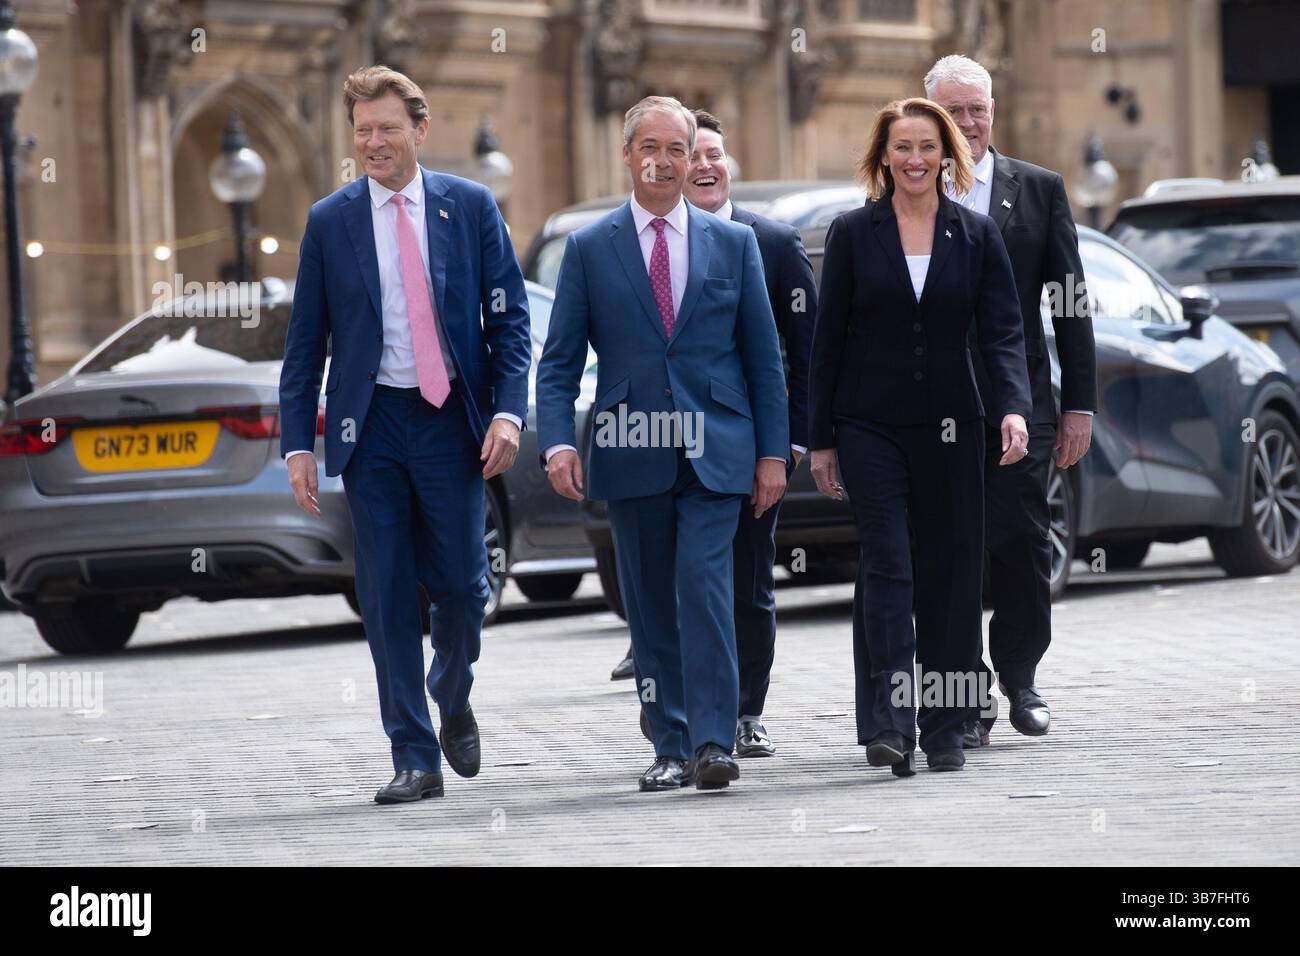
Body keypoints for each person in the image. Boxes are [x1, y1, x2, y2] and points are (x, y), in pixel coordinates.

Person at [279, 66, 532, 804]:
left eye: (388, 128)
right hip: (372, 426)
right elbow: (306, 343)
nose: (374, 142)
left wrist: (508, 413)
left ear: (420, 129)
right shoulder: (331, 220)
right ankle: (413, 756)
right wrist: (299, 442)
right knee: (385, 590)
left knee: (462, 587)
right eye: (363, 130)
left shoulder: (471, 207)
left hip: (451, 421)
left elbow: (510, 322)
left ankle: (451, 693)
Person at [536, 96, 789, 791]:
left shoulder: (733, 245)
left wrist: (773, 453)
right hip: (628, 447)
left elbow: (763, 358)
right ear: (627, 156)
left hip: (717, 450)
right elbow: (557, 361)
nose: (665, 160)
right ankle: (669, 742)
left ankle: (713, 741)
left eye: (678, 148)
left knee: (706, 589)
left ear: (692, 156)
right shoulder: (590, 249)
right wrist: (557, 442)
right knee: (648, 604)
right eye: (650, 146)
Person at [808, 97, 1031, 774]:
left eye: (927, 147)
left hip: (953, 426)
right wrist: (820, 440)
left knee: (953, 574)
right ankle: (888, 724)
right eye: (902, 147)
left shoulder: (976, 234)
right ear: (883, 156)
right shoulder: (852, 233)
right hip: (869, 423)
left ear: (946, 155)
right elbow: (827, 341)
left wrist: (1014, 408)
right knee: (887, 566)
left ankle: (945, 727)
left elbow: (1002, 330)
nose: (915, 159)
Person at [924, 55, 1098, 745]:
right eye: (955, 110)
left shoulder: (1039, 189)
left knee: (1022, 543)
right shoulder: (910, 188)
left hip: (1021, 397)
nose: (969, 123)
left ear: (994, 109)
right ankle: (966, 697)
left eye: (979, 109)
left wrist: (1079, 402)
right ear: (931, 111)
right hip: (933, 405)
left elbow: (1070, 302)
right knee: (946, 550)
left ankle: (1020, 675)